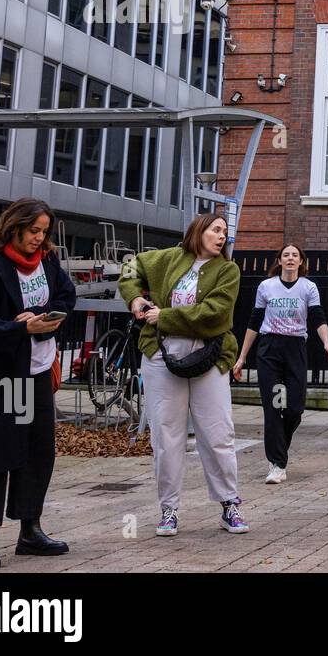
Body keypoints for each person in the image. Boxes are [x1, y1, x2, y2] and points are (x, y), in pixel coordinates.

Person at [0, 198, 76, 569]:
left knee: (38, 453)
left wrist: (41, 317)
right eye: (33, 231)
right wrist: (20, 327)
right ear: (15, 227)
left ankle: (30, 530)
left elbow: (66, 296)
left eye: (44, 232)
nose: (39, 239)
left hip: (38, 372)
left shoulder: (49, 262)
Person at [119, 212, 248, 537]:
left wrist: (166, 316)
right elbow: (129, 266)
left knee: (218, 433)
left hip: (209, 359)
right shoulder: (169, 258)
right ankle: (168, 510)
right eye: (216, 230)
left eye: (225, 232)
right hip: (162, 359)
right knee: (166, 437)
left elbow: (215, 314)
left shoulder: (227, 270)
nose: (222, 236)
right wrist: (134, 297)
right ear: (199, 230)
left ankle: (229, 503)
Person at [233, 244, 328, 485]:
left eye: (295, 255)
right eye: (286, 255)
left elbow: (318, 317)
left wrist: (327, 342)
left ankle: (279, 448)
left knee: (294, 409)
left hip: (295, 348)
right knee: (273, 407)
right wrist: (241, 357)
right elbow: (254, 321)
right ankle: (277, 464)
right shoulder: (266, 286)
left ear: (301, 261)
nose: (290, 258)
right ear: (279, 261)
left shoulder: (308, 287)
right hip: (269, 349)